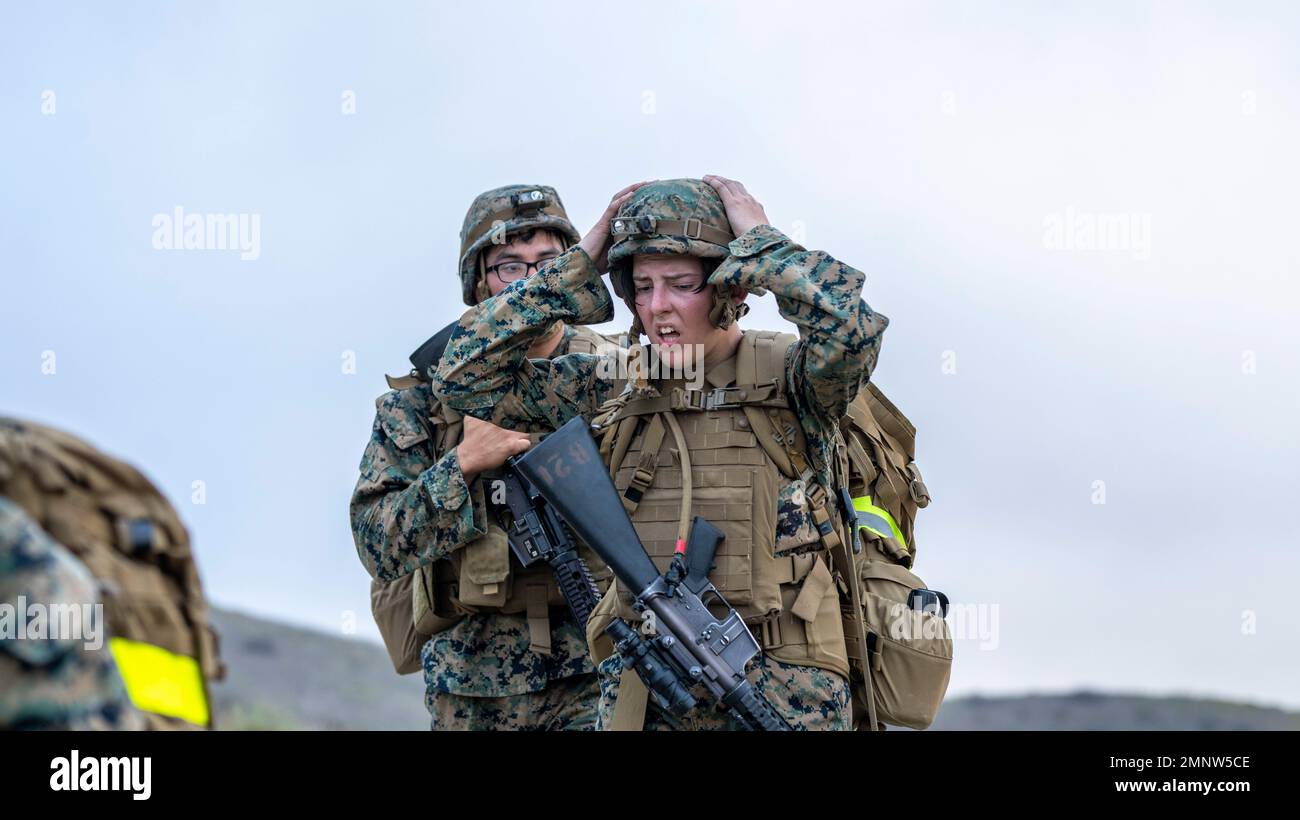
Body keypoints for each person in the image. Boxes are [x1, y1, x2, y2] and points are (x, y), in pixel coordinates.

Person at [433, 177, 889, 730]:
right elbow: (463, 378)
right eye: (642, 286)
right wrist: (578, 265)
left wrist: (763, 243)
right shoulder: (610, 383)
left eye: (680, 284)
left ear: (728, 289)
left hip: (787, 692)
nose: (658, 307)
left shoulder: (794, 380)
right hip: (650, 690)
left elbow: (853, 330)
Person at [351, 184, 622, 730]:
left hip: (600, 662)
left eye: (551, 262)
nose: (534, 281)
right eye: (509, 268)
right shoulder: (423, 401)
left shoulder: (619, 375)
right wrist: (463, 465)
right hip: (472, 679)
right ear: (478, 284)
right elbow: (378, 545)